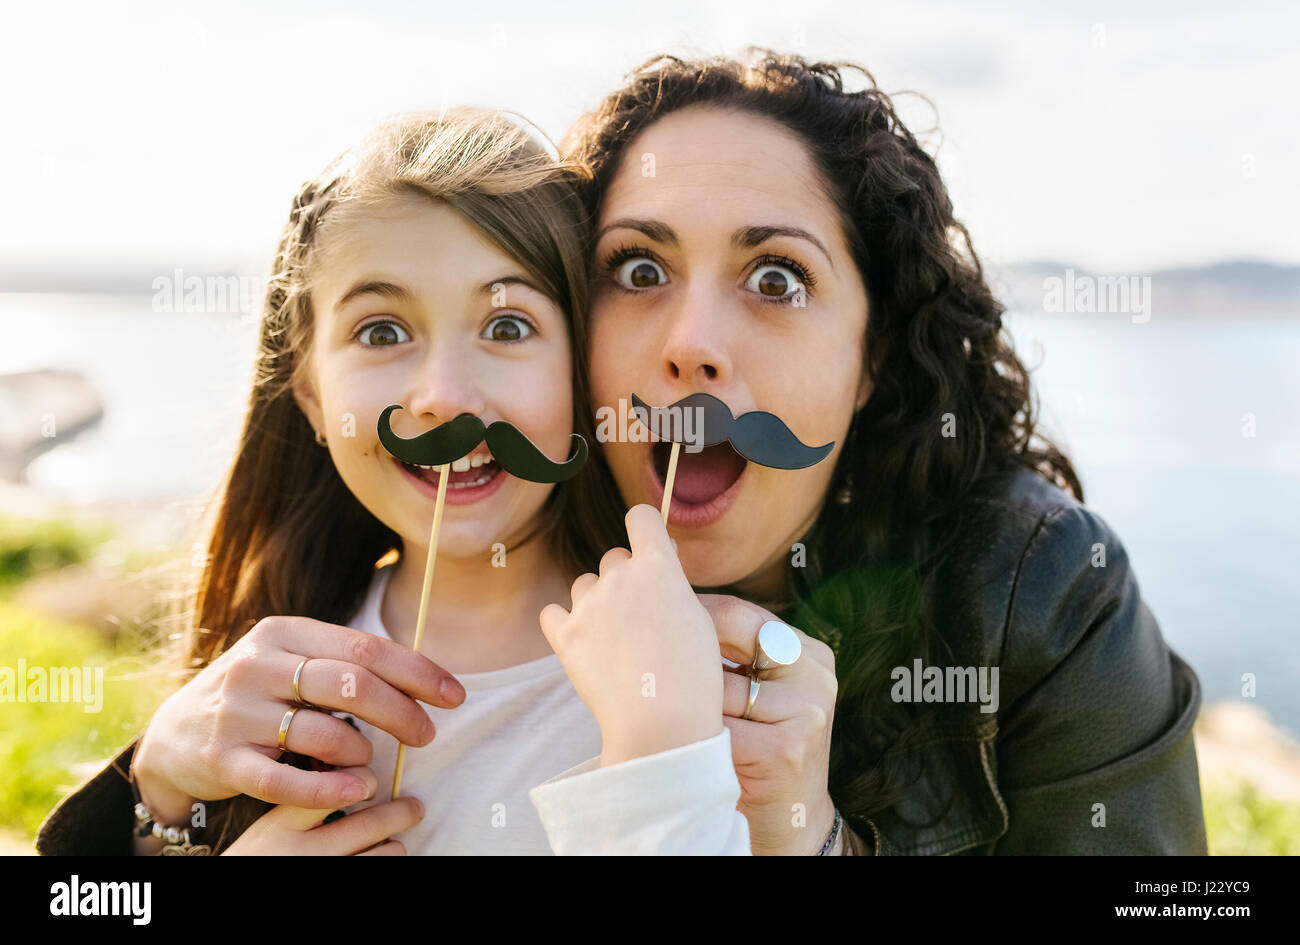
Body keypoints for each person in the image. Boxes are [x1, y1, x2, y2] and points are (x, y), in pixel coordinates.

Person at [35, 108, 752, 856]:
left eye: (507, 327)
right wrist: (156, 794)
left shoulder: (697, 681)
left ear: (581, 366)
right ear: (309, 393)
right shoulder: (261, 671)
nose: (443, 395)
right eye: (382, 331)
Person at [547, 48, 1207, 855]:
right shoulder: (491, 578)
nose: (692, 345)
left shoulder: (1045, 593)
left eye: (777, 279)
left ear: (875, 357)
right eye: (640, 267)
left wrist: (813, 838)